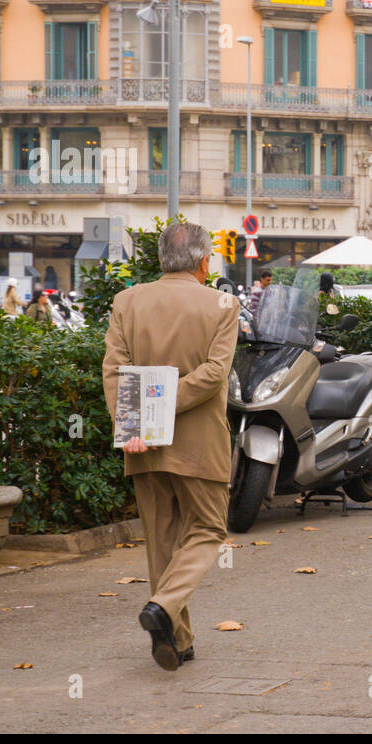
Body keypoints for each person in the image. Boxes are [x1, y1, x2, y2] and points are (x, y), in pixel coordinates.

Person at [101, 222, 240, 671]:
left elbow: (113, 370)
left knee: (161, 544)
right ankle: (162, 608)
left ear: (161, 260)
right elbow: (215, 374)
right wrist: (160, 407)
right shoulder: (223, 304)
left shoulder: (127, 301)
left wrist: (136, 419)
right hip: (200, 445)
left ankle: (178, 640)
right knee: (207, 531)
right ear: (204, 262)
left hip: (143, 442)